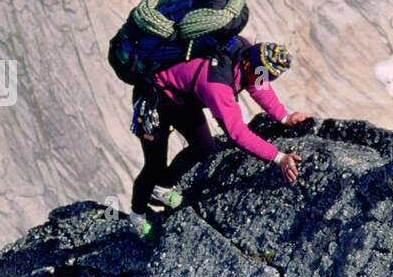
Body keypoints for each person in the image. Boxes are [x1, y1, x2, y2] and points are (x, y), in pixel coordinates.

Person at [127, 38, 311, 236]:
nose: (262, 79)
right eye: (261, 73)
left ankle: (161, 189)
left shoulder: (246, 51)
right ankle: (136, 216)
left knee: (204, 146)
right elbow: (237, 133)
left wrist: (283, 117)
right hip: (155, 98)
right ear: (248, 64)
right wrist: (279, 157)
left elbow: (257, 84)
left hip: (182, 97)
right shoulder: (218, 85)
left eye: (267, 76)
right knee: (154, 165)